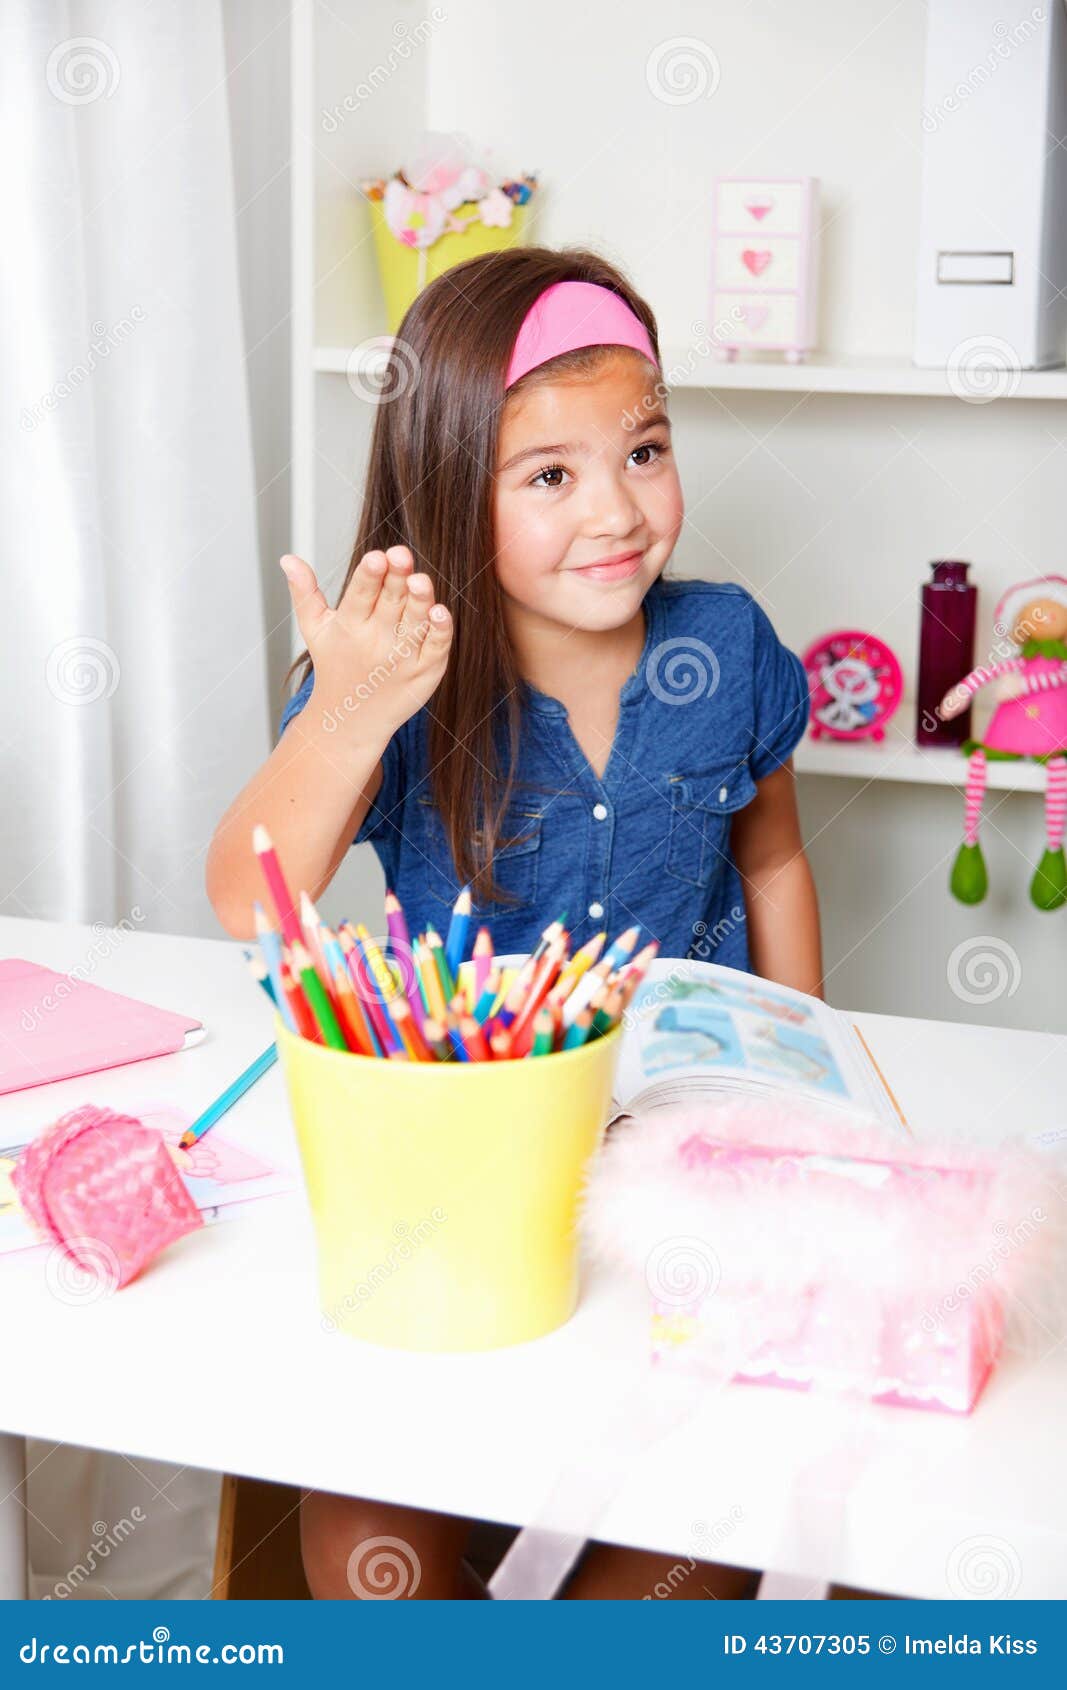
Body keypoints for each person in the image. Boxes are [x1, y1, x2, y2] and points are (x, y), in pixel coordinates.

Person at [206, 246, 821, 1598]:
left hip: (681, 1162)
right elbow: (251, 900)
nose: (617, 508)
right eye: (550, 474)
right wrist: (356, 706)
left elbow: (773, 859)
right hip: (457, 1169)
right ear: (446, 491)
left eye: (645, 449)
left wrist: (795, 1073)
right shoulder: (400, 674)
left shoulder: (727, 645)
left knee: (699, 1490)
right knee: (374, 1480)